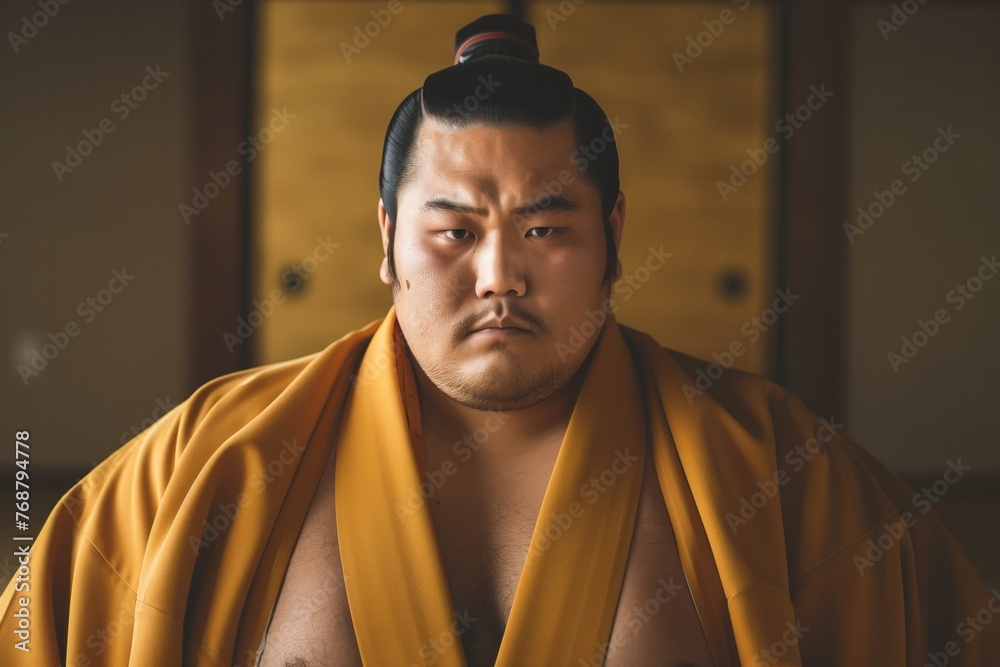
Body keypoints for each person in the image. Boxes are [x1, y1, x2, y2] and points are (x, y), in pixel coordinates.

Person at [2, 13, 997, 667]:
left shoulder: (776, 466)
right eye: (454, 230)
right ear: (386, 238)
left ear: (613, 235)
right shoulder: (206, 461)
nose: (498, 275)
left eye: (545, 228)